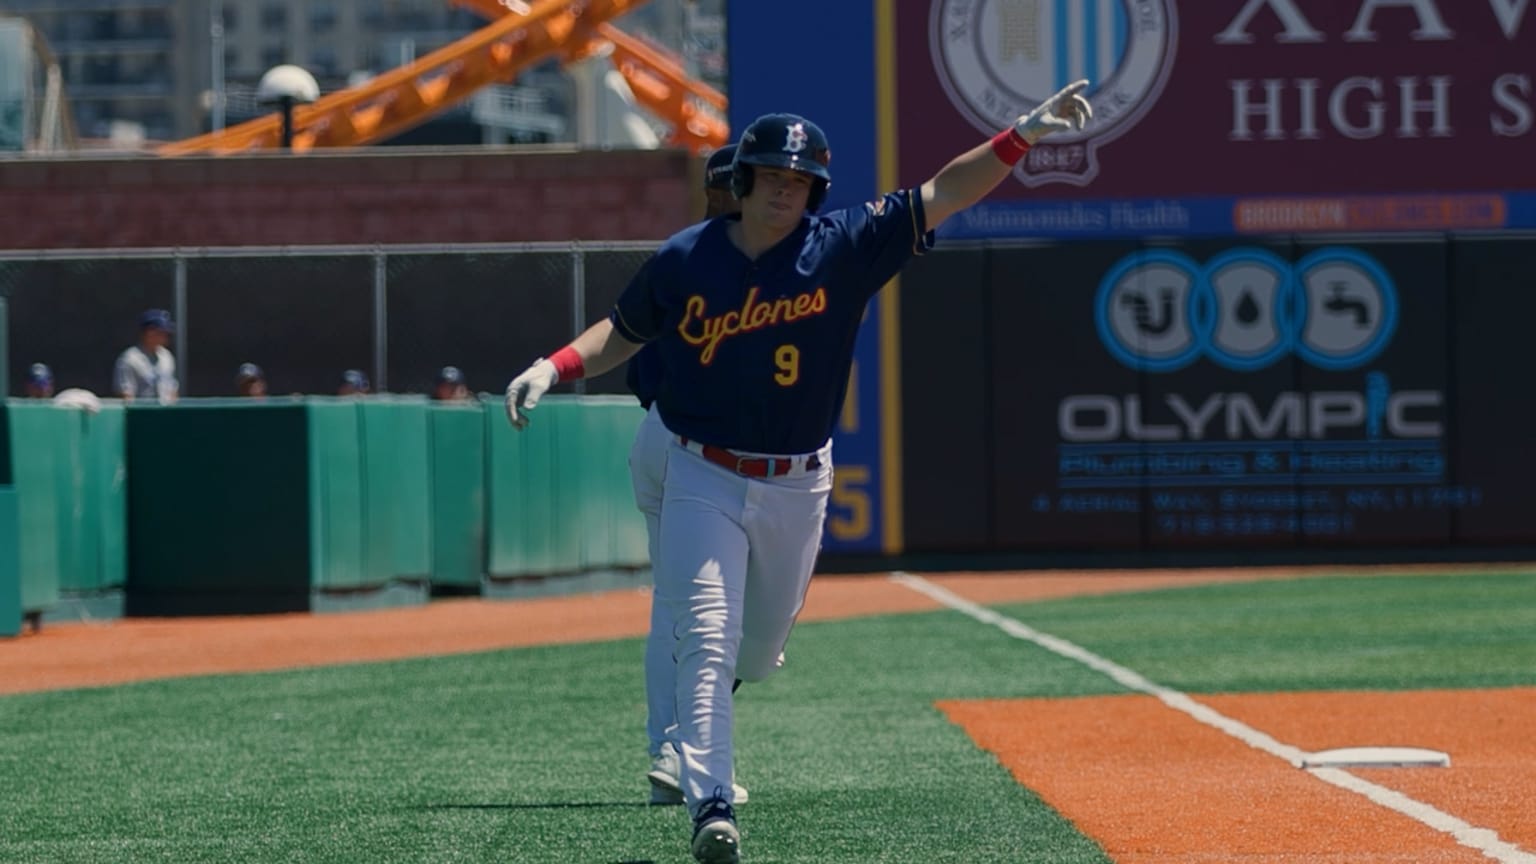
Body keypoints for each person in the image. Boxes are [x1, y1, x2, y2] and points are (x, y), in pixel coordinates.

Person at [504, 82, 1093, 864]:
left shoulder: (841, 245)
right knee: (705, 638)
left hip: (796, 482)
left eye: (801, 181)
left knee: (758, 652)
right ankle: (711, 806)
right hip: (700, 469)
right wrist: (555, 363)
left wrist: (1018, 137)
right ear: (742, 180)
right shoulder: (687, 257)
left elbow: (945, 190)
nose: (788, 190)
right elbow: (626, 328)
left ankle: (699, 741)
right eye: (774, 177)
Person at [626, 143, 752, 808]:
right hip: (693, 446)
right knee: (721, 612)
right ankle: (684, 749)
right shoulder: (744, 263)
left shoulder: (680, 252)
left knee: (676, 605)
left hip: (659, 436)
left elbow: (636, 370)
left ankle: (672, 749)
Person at [114, 308, 179, 404]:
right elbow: (125, 395)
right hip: (142, 415)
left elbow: (173, 391)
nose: (165, 336)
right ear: (149, 332)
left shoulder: (167, 357)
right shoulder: (130, 358)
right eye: (161, 332)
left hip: (166, 414)